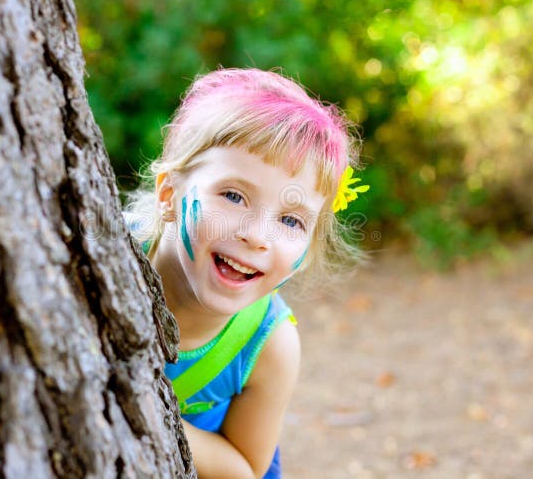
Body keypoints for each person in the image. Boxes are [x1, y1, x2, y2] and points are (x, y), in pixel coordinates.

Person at [124, 68, 367, 478]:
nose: (257, 236)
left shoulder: (269, 345)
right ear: (168, 194)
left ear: (307, 252)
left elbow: (244, 469)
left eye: (291, 221)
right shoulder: (105, 260)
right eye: (234, 196)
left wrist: (144, 412)